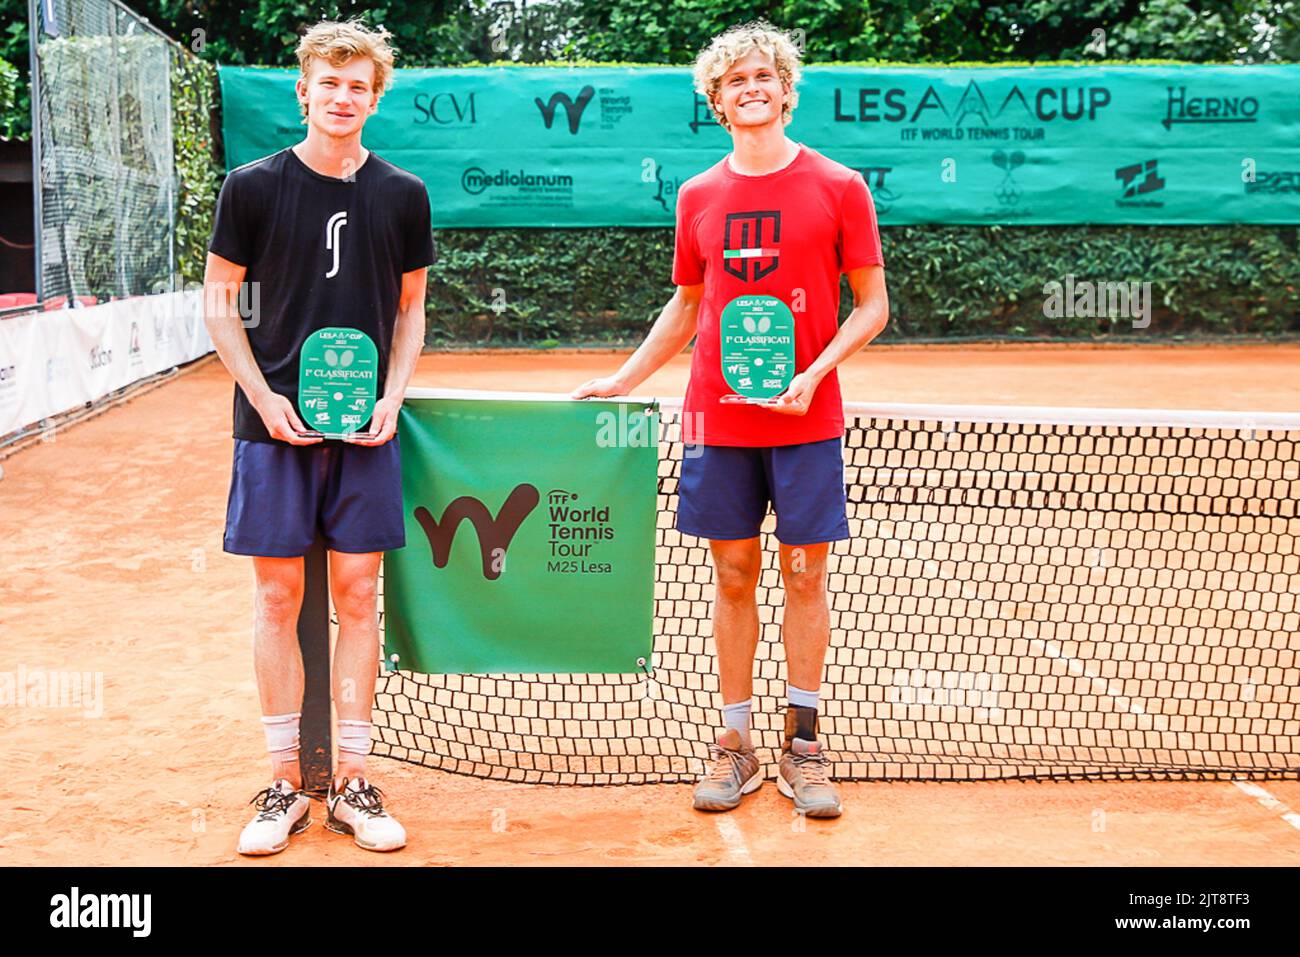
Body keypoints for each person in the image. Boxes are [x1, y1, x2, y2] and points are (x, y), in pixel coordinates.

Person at [572, 20, 889, 818]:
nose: (751, 87)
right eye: (733, 80)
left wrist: (816, 371)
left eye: (764, 76)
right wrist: (622, 377)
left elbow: (873, 305)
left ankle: (805, 742)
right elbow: (685, 306)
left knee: (806, 572)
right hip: (716, 419)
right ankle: (736, 743)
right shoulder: (698, 195)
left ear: (786, 90)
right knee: (733, 573)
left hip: (809, 419)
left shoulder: (841, 186)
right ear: (716, 101)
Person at [203, 18, 436, 854]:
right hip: (273, 428)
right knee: (276, 595)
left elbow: (410, 310)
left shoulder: (404, 194)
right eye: (329, 84)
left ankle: (353, 781)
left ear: (376, 99)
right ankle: (282, 782)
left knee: (360, 595)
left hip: (365, 433)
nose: (343, 98)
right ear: (304, 91)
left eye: (358, 86)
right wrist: (264, 397)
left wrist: (393, 396)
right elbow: (220, 303)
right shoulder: (252, 187)